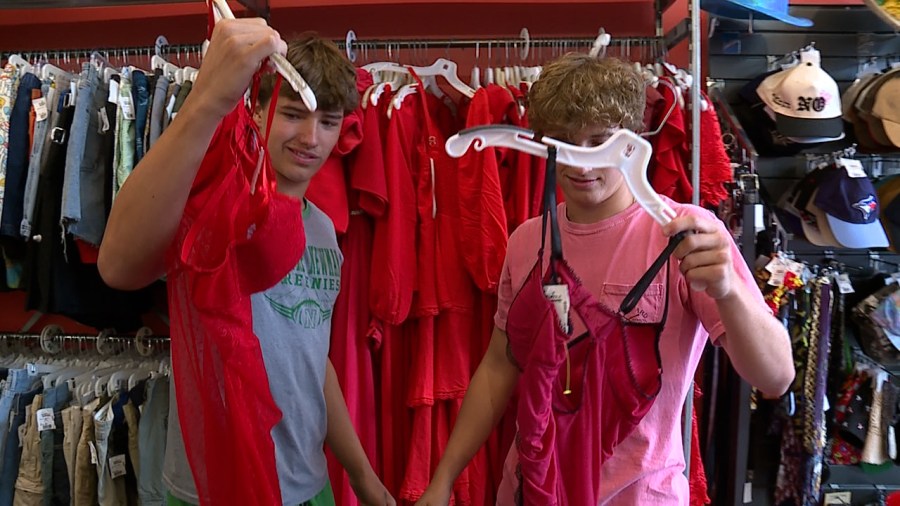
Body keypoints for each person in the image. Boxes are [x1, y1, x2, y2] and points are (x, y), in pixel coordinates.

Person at [416, 54, 794, 505]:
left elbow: (775, 377)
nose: (581, 164)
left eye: (600, 142)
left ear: (632, 139)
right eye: (562, 143)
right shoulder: (526, 242)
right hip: (530, 491)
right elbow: (500, 367)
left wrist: (728, 291)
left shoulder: (684, 234)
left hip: (641, 495)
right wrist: (442, 481)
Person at [98, 20, 394, 506]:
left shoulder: (323, 232)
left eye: (328, 122)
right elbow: (116, 266)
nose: (311, 138)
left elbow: (313, 360)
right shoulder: (213, 208)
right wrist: (209, 98)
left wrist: (362, 475)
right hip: (212, 487)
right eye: (294, 114)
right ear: (255, 112)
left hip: (307, 482)